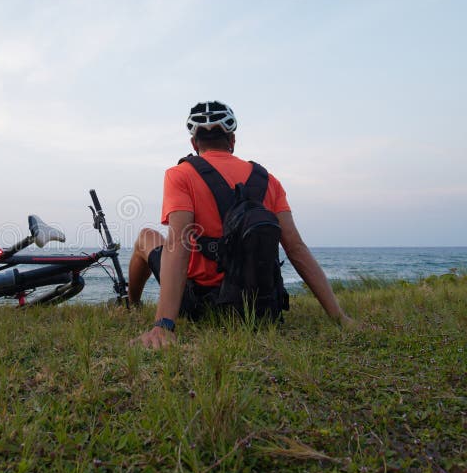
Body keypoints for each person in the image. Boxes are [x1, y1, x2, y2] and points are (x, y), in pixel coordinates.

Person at [130, 101, 356, 349]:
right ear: (232, 141)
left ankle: (132, 304)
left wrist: (164, 325)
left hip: (202, 306)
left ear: (194, 144)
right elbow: (296, 249)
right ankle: (336, 315)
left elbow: (178, 244)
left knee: (145, 237)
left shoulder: (180, 174)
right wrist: (340, 317)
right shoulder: (268, 180)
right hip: (259, 306)